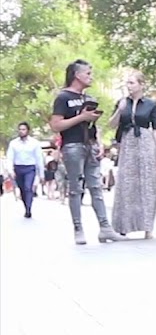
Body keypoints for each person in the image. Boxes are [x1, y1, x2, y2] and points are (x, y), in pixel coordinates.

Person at [48, 59, 120, 245]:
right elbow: (56, 125)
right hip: (72, 146)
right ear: (77, 75)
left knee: (96, 187)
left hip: (90, 145)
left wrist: (97, 141)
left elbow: (91, 124)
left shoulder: (88, 98)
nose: (91, 76)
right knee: (75, 188)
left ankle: (105, 228)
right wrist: (81, 117)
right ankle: (78, 228)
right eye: (88, 73)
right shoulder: (63, 97)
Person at [108, 69, 156, 238]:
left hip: (145, 142)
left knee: (147, 184)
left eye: (132, 82)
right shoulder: (121, 102)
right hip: (127, 143)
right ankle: (123, 225)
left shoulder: (151, 104)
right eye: (128, 83)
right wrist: (119, 110)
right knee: (126, 184)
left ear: (141, 85)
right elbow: (111, 124)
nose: (129, 86)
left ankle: (148, 228)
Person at [7, 122, 44, 218]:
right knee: (22, 189)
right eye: (20, 129)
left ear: (28, 131)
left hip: (30, 168)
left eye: (23, 129)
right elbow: (10, 158)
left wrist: (41, 174)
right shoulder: (13, 143)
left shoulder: (34, 143)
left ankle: (29, 209)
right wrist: (10, 170)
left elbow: (39, 158)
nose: (21, 131)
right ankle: (26, 206)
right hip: (18, 168)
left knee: (28, 188)